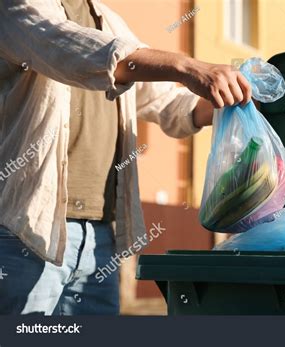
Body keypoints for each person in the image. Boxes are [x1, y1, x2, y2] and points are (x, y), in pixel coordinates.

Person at [0, 0, 252, 315]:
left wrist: (231, 102)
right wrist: (186, 66)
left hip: (102, 236)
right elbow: (67, 48)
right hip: (25, 228)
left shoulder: (110, 21)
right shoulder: (17, 6)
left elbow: (166, 102)